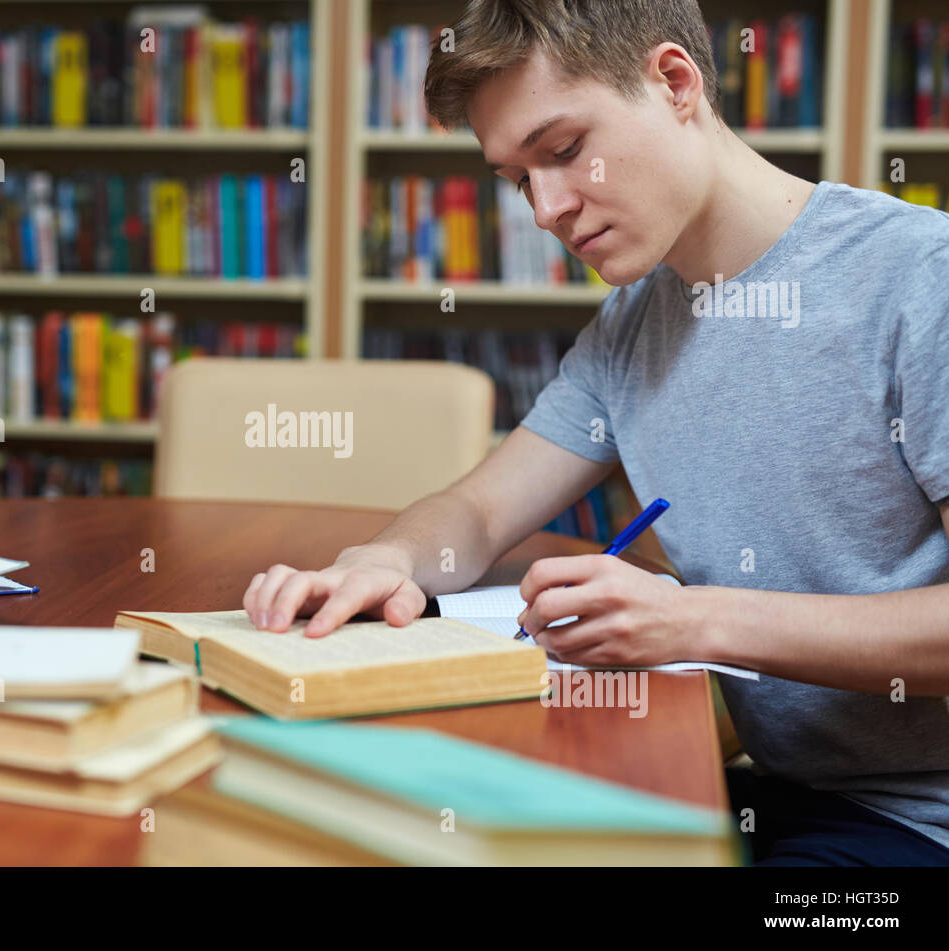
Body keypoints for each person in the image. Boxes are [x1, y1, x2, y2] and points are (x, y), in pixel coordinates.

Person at [242, 0, 949, 865]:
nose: (543, 210)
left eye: (566, 151)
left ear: (675, 83)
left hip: (918, 825)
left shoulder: (922, 281)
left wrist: (694, 622)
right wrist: (382, 564)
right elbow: (475, 512)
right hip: (784, 796)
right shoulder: (631, 324)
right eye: (517, 178)